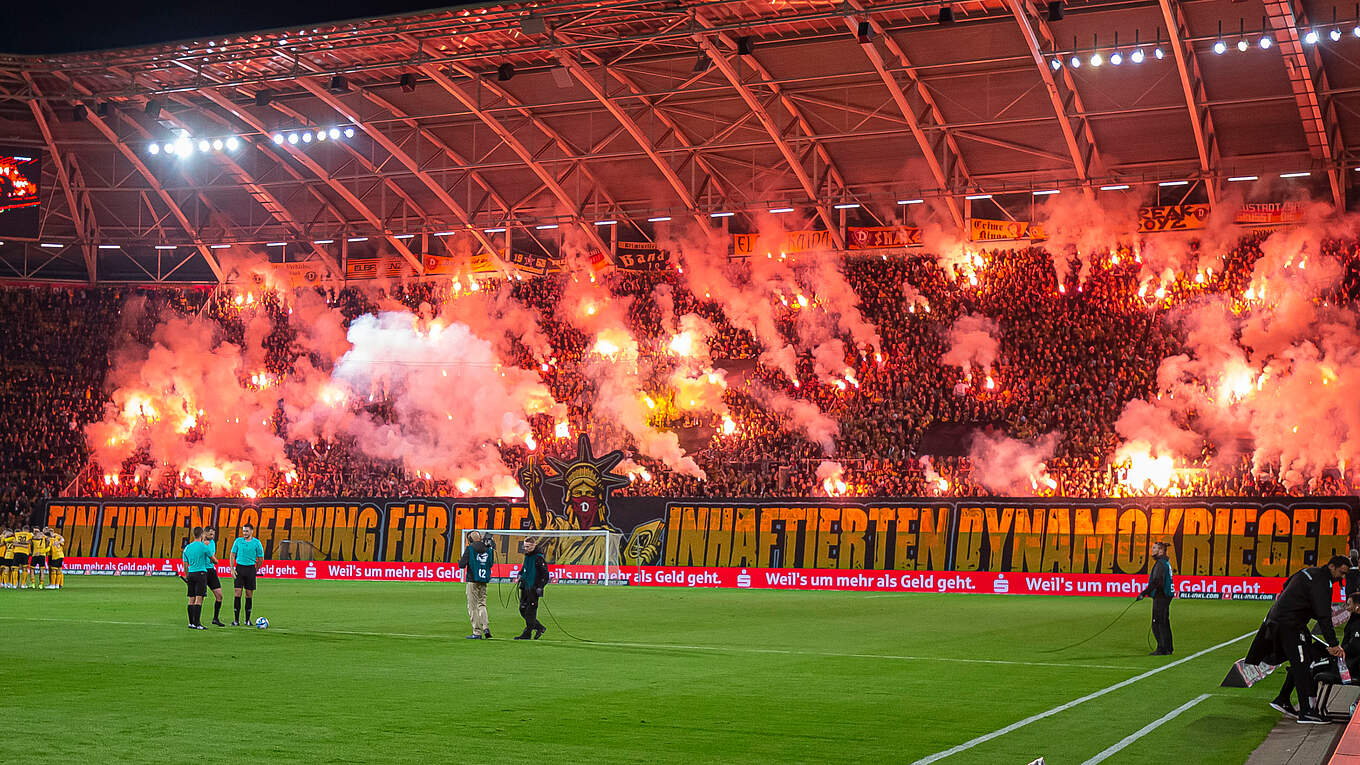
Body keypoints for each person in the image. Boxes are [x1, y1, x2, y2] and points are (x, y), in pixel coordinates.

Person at [1247, 555, 1351, 725]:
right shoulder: (1322, 582)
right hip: (1290, 625)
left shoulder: (1307, 572)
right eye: (1341, 572)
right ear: (1332, 566)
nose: (1342, 577)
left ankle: (1283, 699)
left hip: (1279, 620)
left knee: (1304, 659)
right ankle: (1306, 712)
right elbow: (1323, 616)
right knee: (1302, 664)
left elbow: (1285, 586)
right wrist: (1333, 644)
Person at [1136, 541, 1175, 655]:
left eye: (1154, 548)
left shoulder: (1160, 564)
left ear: (1161, 550)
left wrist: (1144, 593)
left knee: (1157, 623)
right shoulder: (1165, 563)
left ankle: (1162, 648)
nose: (1152, 550)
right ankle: (1168, 647)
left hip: (1161, 595)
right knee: (1164, 622)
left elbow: (1157, 581)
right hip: (1166, 595)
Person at [459, 531, 495, 639]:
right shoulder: (489, 549)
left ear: (470, 539)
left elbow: (461, 565)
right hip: (483, 580)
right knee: (482, 604)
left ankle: (477, 632)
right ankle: (485, 627)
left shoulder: (470, 549)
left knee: (472, 606)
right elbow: (491, 564)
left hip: (472, 580)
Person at [514, 539, 550, 640]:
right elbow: (524, 569)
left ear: (534, 545)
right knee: (522, 609)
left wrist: (540, 587)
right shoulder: (527, 556)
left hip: (533, 588)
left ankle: (527, 633)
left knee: (530, 611)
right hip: (525, 587)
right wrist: (520, 574)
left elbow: (545, 575)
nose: (526, 549)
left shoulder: (539, 558)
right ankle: (539, 627)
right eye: (525, 546)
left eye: (528, 546)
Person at [230, 524, 265, 626]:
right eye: (244, 531)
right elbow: (232, 555)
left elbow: (261, 558)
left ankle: (247, 620)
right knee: (237, 593)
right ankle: (236, 620)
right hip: (239, 569)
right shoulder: (238, 541)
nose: (244, 533)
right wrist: (232, 569)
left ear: (252, 531)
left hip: (250, 569)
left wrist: (255, 569)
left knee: (249, 595)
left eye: (246, 531)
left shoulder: (257, 543)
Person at [182, 527, 215, 630]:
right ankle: (197, 623)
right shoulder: (203, 547)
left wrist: (187, 576)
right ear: (201, 535)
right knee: (199, 598)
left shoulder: (187, 548)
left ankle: (191, 623)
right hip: (201, 573)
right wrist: (215, 561)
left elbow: (185, 565)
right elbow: (213, 560)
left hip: (191, 574)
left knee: (191, 598)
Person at [202, 529, 226, 626]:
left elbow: (212, 555)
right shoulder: (199, 543)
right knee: (199, 598)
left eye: (213, 534)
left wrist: (212, 560)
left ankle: (215, 619)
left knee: (219, 596)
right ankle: (196, 621)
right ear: (205, 533)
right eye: (210, 534)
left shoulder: (212, 543)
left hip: (211, 571)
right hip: (202, 571)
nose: (212, 536)